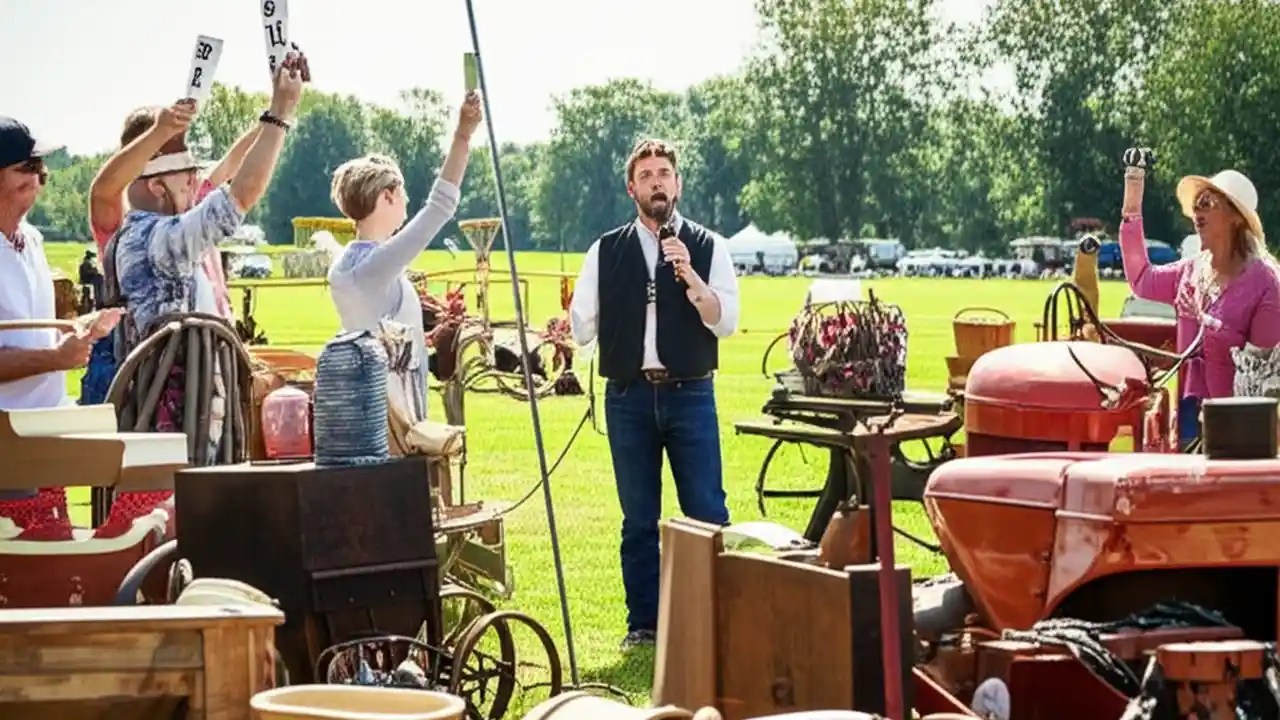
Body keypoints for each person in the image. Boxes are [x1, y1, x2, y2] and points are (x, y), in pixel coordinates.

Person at [569, 138, 740, 648]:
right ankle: (644, 625)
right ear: (632, 188)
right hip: (628, 399)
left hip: (690, 394)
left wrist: (690, 275)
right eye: (646, 175)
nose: (657, 181)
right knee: (639, 519)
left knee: (706, 510)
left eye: (665, 172)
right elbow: (583, 327)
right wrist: (568, 326)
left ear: (679, 183)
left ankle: (715, 616)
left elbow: (724, 322)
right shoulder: (606, 250)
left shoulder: (710, 247)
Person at [107, 50, 306, 462]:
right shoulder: (152, 238)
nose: (197, 181)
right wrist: (280, 113)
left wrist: (278, 112)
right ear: (159, 185)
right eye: (188, 175)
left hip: (195, 415)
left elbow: (233, 180)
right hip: (177, 423)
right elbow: (239, 197)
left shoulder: (156, 229)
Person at [79, 100, 261, 405]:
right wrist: (158, 132)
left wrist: (273, 119)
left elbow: (233, 164)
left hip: (207, 365)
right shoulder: (125, 225)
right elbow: (103, 190)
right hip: (155, 382)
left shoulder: (186, 200)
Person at [325, 91, 482, 426]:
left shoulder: (343, 268)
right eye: (403, 194)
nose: (407, 201)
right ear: (387, 196)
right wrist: (463, 135)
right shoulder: (374, 268)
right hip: (395, 418)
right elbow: (440, 206)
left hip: (365, 410)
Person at [0, 116, 122, 530]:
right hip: (7, 442)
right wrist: (55, 358)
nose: (38, 176)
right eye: (24, 167)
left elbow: (33, 328)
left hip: (45, 431)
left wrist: (79, 329)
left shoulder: (31, 239)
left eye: (38, 166)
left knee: (52, 555)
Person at [1119, 147, 1280, 446]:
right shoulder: (1189, 272)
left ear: (1235, 216)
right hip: (1189, 418)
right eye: (1196, 204)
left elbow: (1260, 377)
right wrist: (1134, 188)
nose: (1197, 212)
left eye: (1207, 202)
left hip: (1238, 427)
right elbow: (1141, 279)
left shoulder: (1267, 284)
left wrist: (1207, 320)